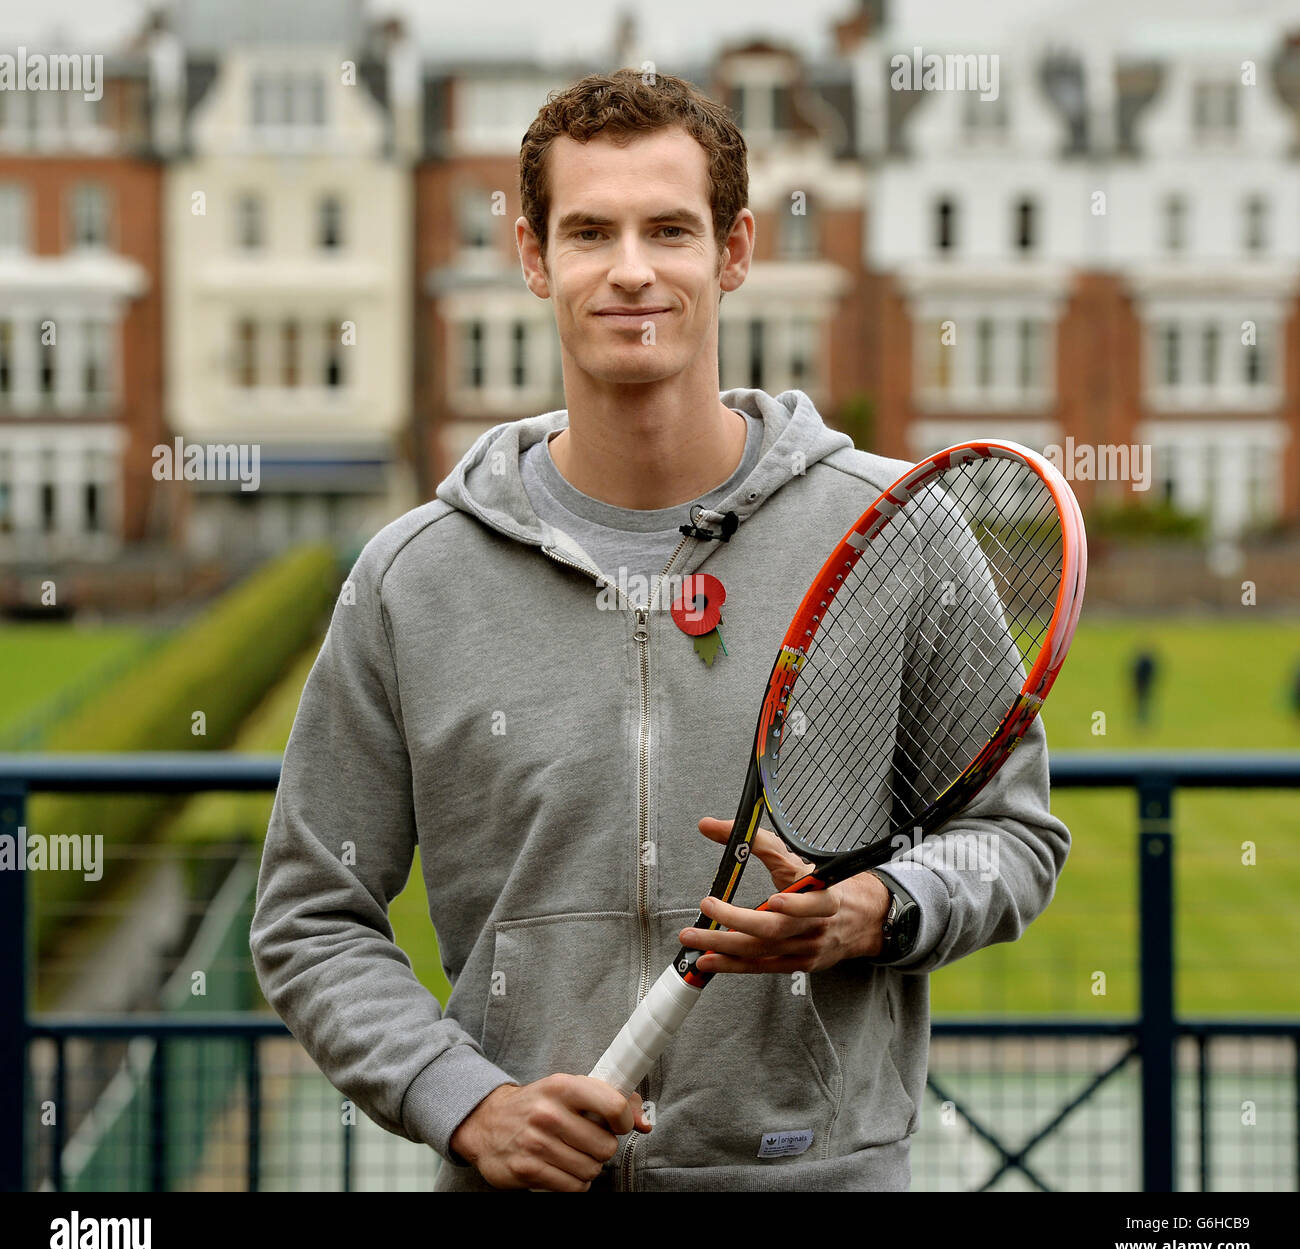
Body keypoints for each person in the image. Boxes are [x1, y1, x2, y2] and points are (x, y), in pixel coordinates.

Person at [250, 68, 1070, 1192]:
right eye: (589, 231)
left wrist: (876, 909)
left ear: (732, 253)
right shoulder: (409, 579)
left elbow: (1012, 837)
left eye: (668, 230)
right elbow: (310, 916)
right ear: (534, 259)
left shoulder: (896, 535)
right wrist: (470, 1104)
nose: (630, 268)